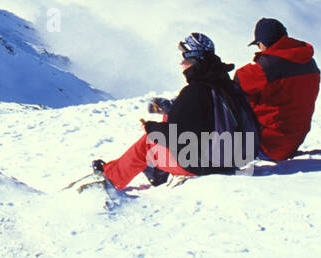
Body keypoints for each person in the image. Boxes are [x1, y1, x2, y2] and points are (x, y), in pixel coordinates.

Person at [93, 33, 260, 191]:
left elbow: (177, 135)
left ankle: (111, 178)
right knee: (166, 125)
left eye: (185, 57)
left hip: (203, 165)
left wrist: (150, 128)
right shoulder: (226, 85)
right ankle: (130, 170)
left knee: (148, 142)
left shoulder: (195, 91)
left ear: (196, 60)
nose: (182, 63)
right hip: (230, 160)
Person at [234, 18, 321, 161]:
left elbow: (238, 80)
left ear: (264, 43)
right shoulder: (308, 61)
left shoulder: (267, 67)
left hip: (269, 145)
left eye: (258, 45)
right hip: (293, 141)